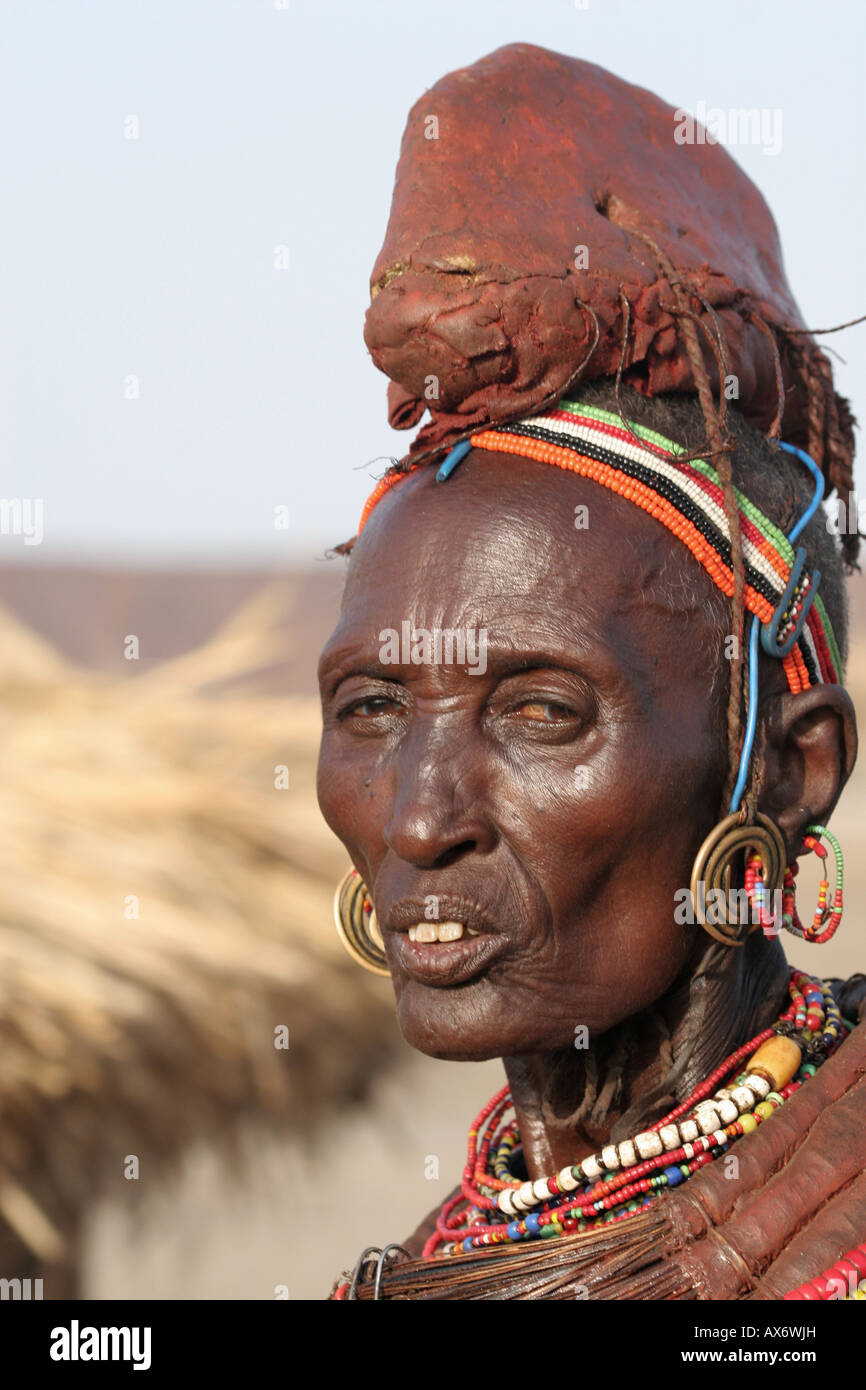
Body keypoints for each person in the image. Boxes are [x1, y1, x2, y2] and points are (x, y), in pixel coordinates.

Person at [317, 44, 866, 1300]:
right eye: (372, 709)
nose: (417, 816)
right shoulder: (431, 1268)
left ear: (787, 766)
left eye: (541, 712)